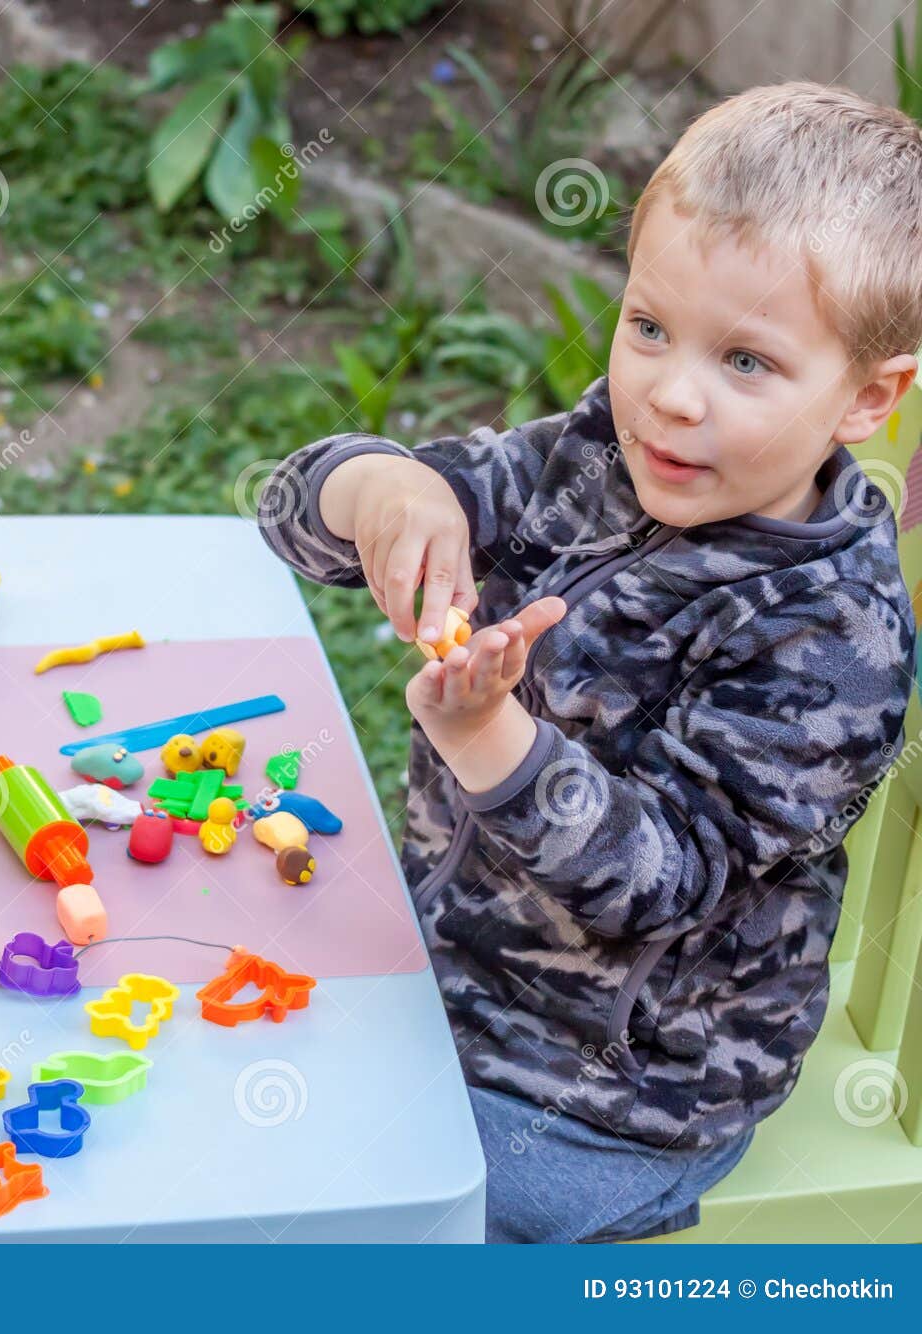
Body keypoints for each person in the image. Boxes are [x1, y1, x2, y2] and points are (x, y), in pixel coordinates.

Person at [258, 82, 921, 1242]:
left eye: (747, 362)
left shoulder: (829, 636)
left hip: (604, 1093)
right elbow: (287, 516)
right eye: (649, 325)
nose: (669, 391)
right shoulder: (587, 461)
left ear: (867, 396)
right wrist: (379, 486)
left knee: (348, 1231)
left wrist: (488, 742)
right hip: (435, 970)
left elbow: (657, 884)